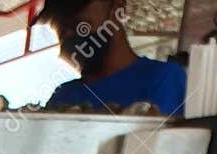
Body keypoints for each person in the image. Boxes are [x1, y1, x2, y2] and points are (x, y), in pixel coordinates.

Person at [41, 0, 187, 114]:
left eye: (80, 26)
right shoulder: (64, 95)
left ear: (117, 9)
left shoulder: (162, 79)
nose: (72, 39)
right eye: (63, 34)